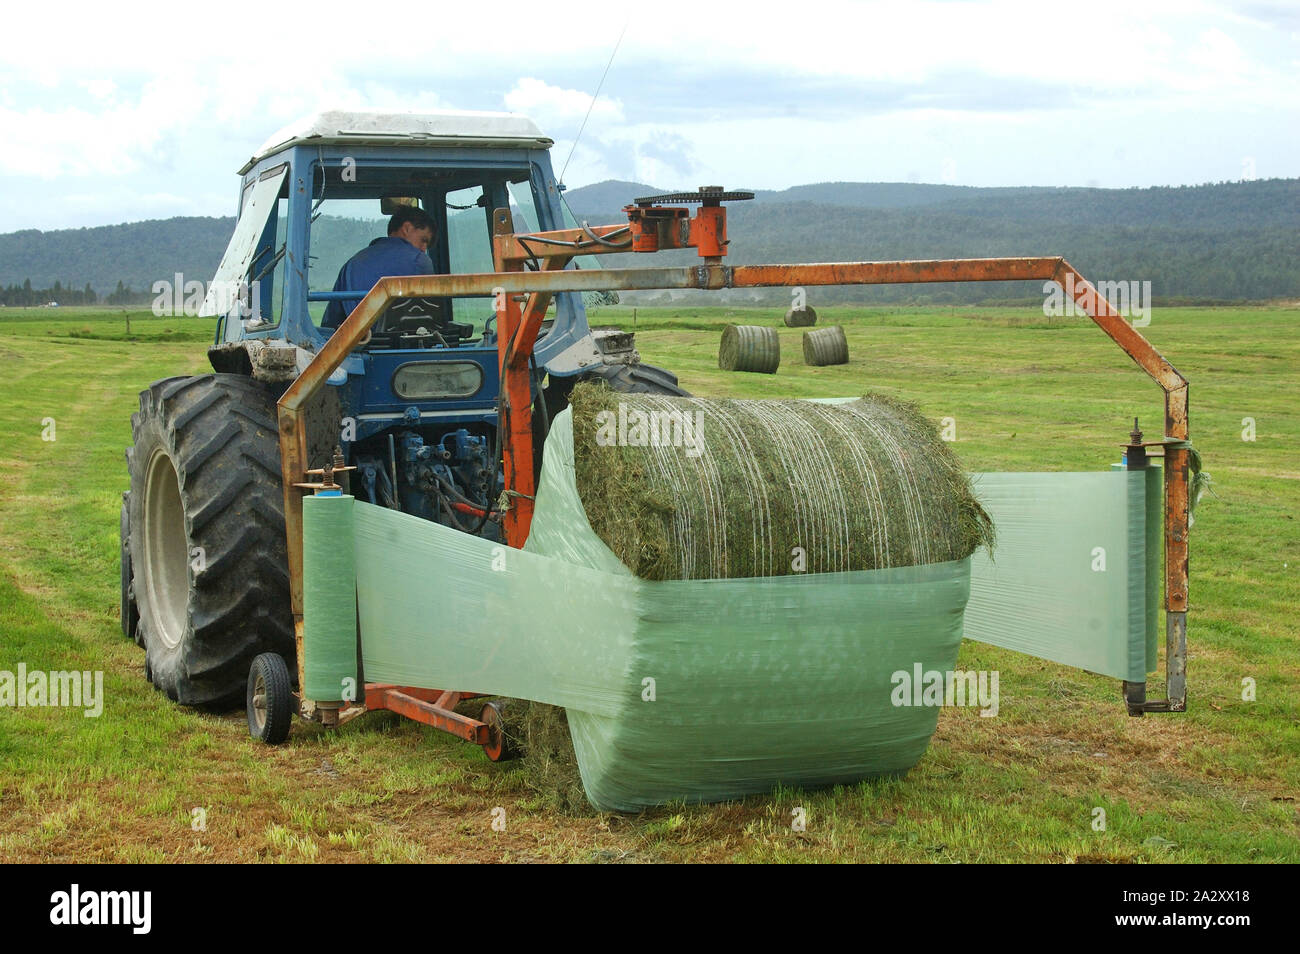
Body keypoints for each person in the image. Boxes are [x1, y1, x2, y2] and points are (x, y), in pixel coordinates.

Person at [321, 205, 436, 330]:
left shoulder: (352, 264)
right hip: (403, 344)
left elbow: (331, 321)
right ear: (407, 228)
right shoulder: (419, 261)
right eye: (423, 240)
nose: (424, 248)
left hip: (356, 345)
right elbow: (429, 317)